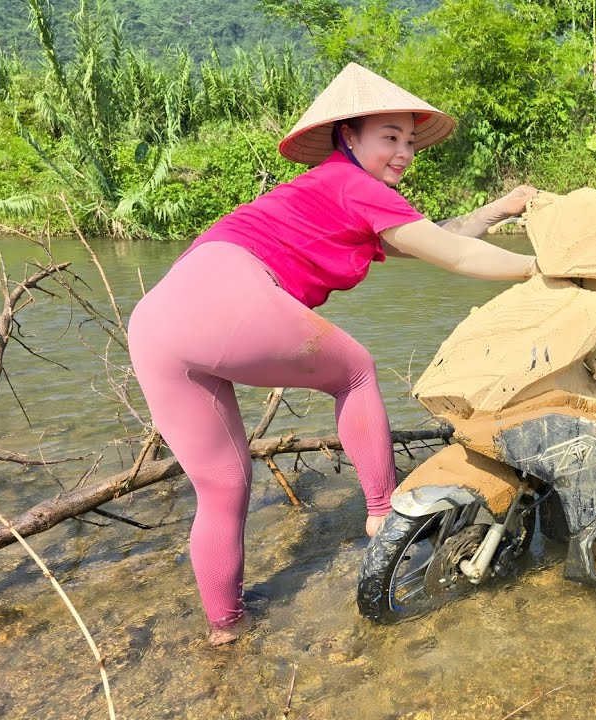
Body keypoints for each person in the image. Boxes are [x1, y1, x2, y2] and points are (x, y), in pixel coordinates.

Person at [128, 63, 540, 645]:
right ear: (350, 136)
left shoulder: (331, 190)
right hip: (226, 294)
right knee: (355, 372)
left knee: (221, 484)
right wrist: (546, 268)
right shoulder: (354, 185)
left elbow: (433, 238)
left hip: (156, 321)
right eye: (388, 137)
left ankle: (225, 633)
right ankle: (380, 514)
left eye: (408, 140)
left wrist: (499, 209)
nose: (403, 152)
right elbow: (456, 258)